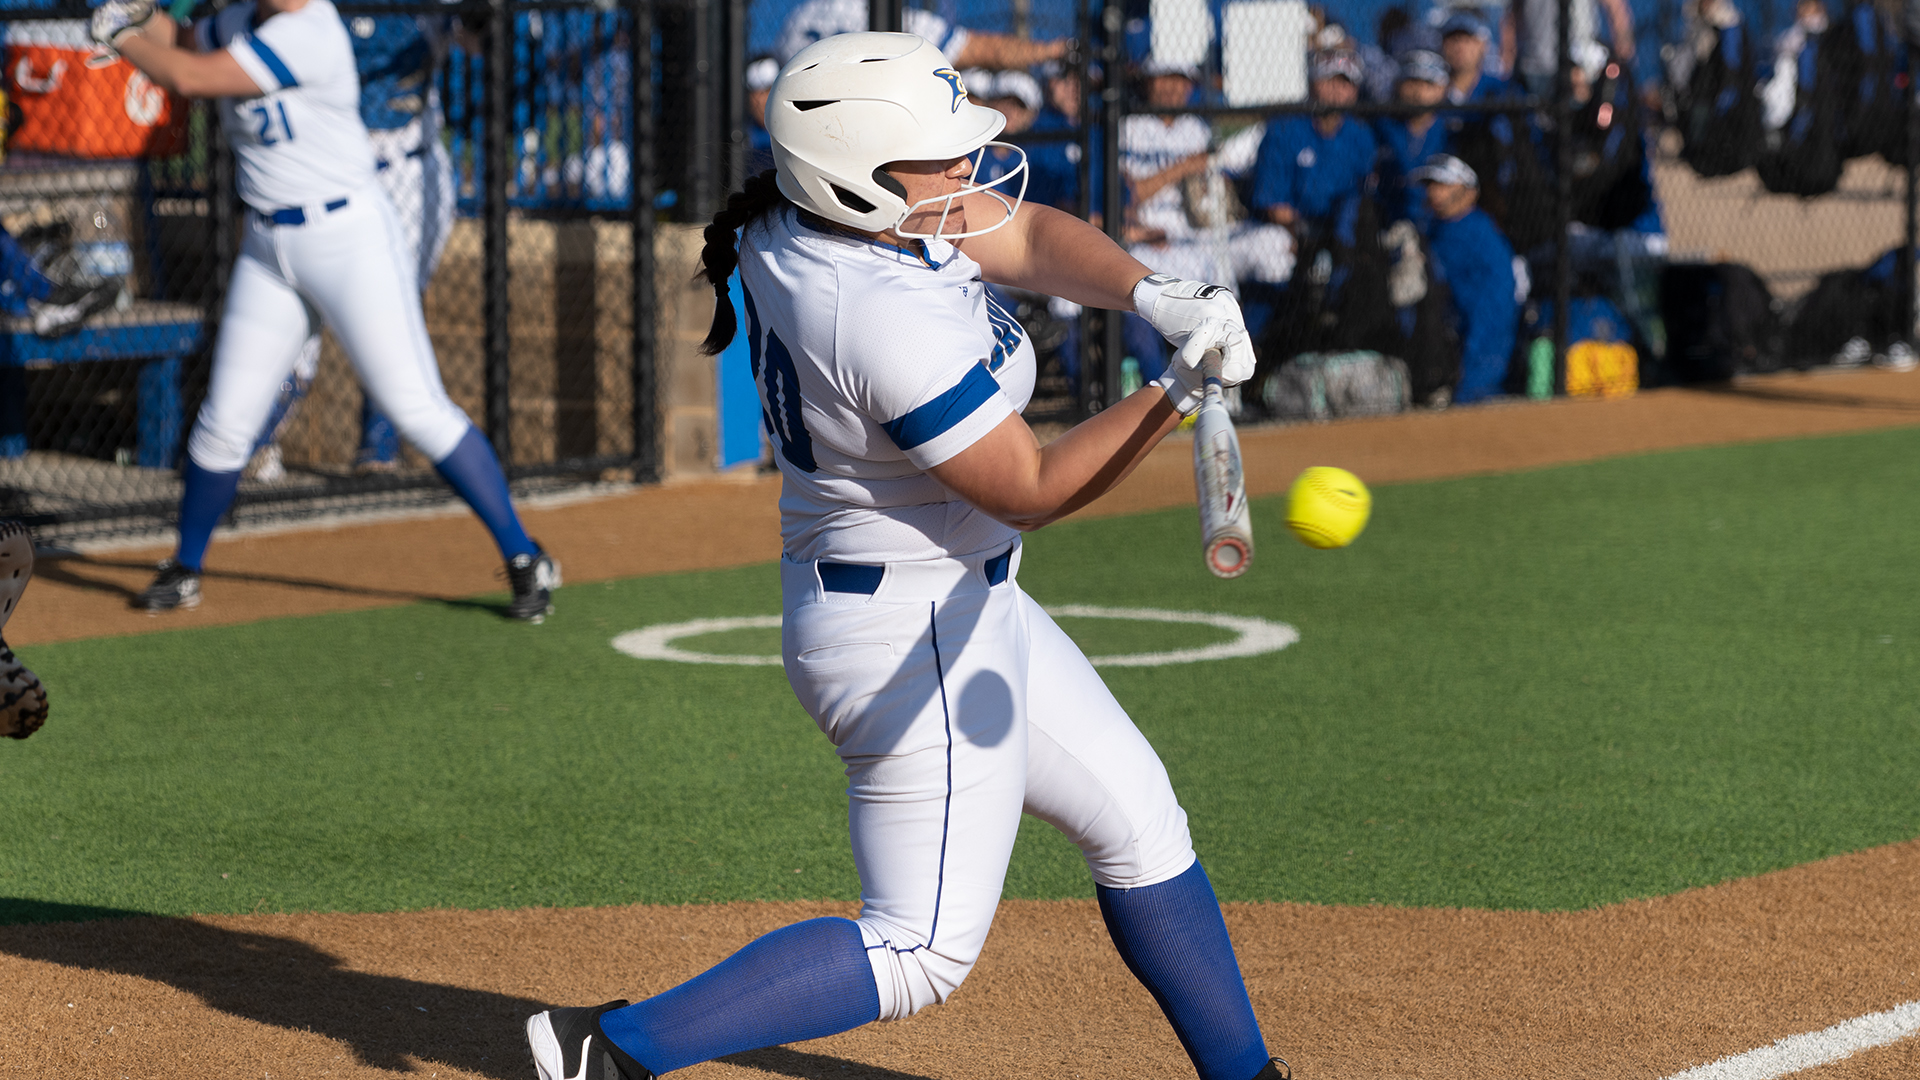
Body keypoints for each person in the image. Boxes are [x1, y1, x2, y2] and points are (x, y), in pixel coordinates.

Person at [522, 32, 1289, 1080]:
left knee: (1142, 823)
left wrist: (1159, 297)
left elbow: (1021, 237)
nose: (970, 171)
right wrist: (1171, 395)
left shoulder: (838, 219)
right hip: (906, 637)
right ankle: (606, 1051)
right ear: (856, 174)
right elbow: (1029, 487)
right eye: (941, 156)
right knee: (920, 949)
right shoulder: (870, 315)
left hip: (964, 603)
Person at [93, 0, 561, 620]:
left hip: (348, 240)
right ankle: (185, 565)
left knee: (416, 409)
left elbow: (190, 77)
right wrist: (143, 13)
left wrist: (121, 36)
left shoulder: (310, 29)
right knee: (225, 418)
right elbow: (182, 38)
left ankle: (525, 557)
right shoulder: (240, 20)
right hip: (267, 247)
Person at [1413, 154, 1517, 404]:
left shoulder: (1480, 232)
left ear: (1469, 192)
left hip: (1480, 335)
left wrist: (1473, 342)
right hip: (1448, 330)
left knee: (1470, 399)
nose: (1435, 193)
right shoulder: (1435, 230)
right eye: (1431, 186)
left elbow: (1497, 297)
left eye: (1443, 185)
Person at [1248, 50, 1377, 241]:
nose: (1336, 89)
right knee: (1273, 246)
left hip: (1341, 230)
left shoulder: (1361, 134)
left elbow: (1365, 194)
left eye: (1345, 82)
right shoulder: (1284, 128)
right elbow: (1274, 206)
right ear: (1311, 83)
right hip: (1289, 231)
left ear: (1356, 91)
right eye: (1328, 79)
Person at [776, 0, 1069, 69]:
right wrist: (1055, 50)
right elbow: (983, 49)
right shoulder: (889, 15)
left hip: (806, 139)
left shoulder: (805, 13)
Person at [1372, 49, 1452, 229]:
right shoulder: (1380, 128)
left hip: (1437, 223)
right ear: (1398, 85)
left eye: (1428, 83)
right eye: (1412, 82)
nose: (1419, 91)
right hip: (1386, 219)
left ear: (1443, 89)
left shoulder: (1452, 131)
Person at [1439, 10, 1510, 103]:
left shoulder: (1500, 90)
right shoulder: (1432, 91)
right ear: (1443, 45)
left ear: (1482, 45)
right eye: (1454, 40)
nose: (1460, 48)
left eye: (1467, 41)